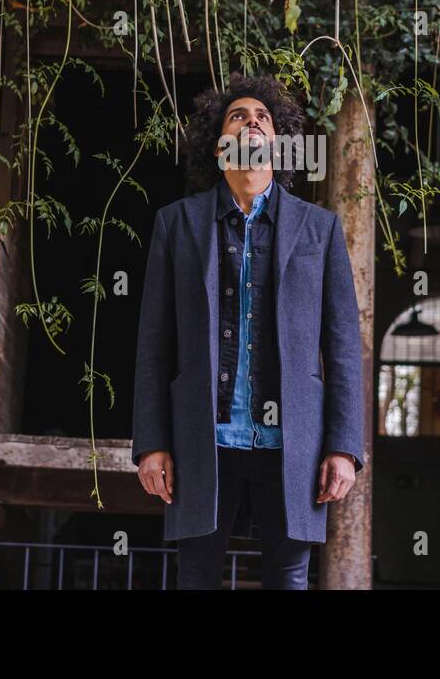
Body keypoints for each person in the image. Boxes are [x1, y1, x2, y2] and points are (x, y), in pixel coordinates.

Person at [131, 73, 366, 589]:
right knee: (195, 575)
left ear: (277, 145)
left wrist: (345, 447)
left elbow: (344, 346)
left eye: (262, 117)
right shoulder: (178, 224)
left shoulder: (318, 228)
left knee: (289, 576)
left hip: (294, 439)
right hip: (203, 436)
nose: (252, 121)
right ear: (219, 147)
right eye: (239, 115)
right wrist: (151, 442)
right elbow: (154, 344)